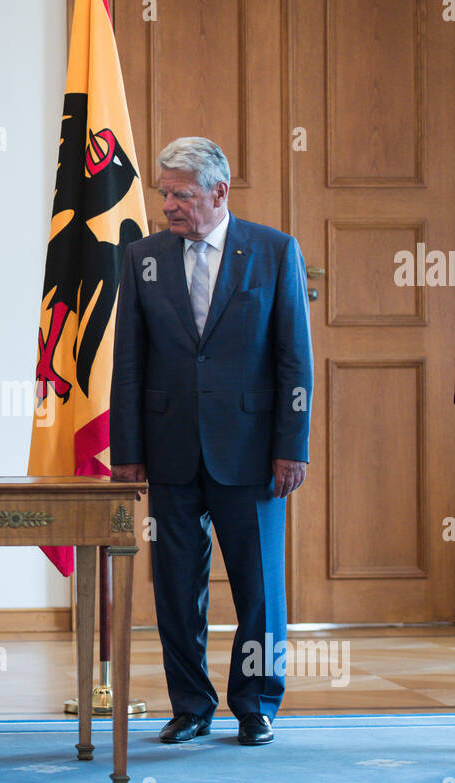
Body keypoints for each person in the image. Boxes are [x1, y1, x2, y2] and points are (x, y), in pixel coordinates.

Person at [110, 136, 313, 747]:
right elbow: (128, 363)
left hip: (251, 452)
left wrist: (291, 446)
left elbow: (293, 359)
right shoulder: (142, 257)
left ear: (219, 192)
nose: (167, 206)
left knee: (258, 588)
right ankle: (190, 704)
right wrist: (127, 451)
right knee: (174, 586)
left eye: (181, 195)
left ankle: (256, 704)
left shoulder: (275, 251)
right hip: (168, 450)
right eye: (163, 193)